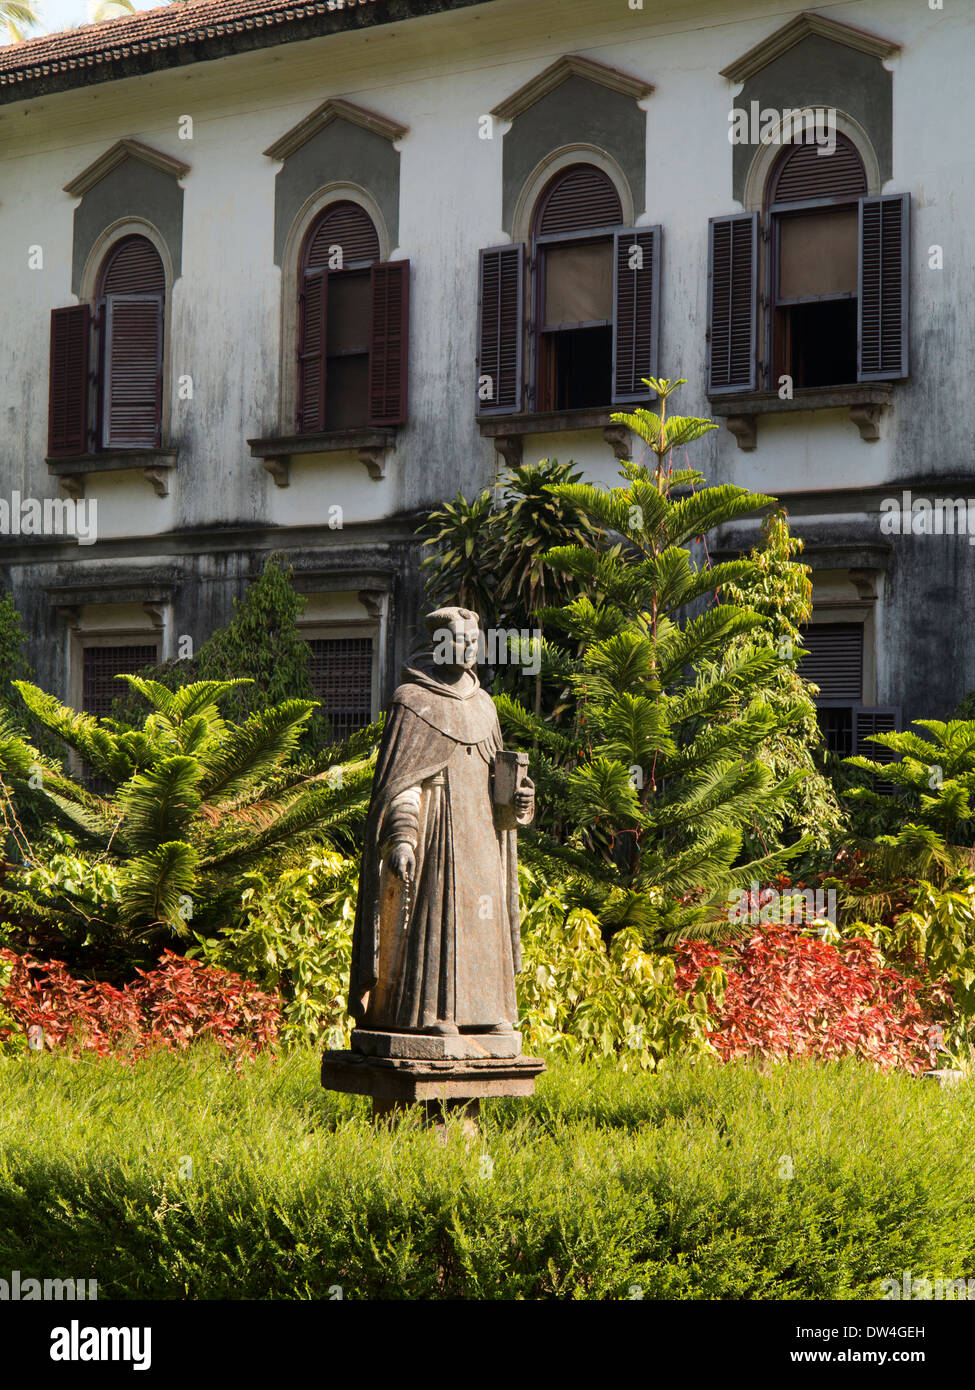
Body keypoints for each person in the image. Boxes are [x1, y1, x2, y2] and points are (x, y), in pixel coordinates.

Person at [348, 606, 534, 1035]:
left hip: (483, 840)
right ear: (439, 645)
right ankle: (431, 1015)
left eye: (474, 641)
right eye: (459, 640)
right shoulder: (413, 702)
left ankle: (491, 1014)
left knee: (484, 920)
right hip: (438, 837)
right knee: (438, 918)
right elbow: (401, 783)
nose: (468, 648)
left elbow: (502, 789)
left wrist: (522, 799)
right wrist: (402, 838)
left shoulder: (486, 706)